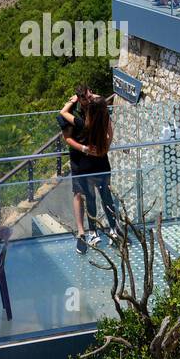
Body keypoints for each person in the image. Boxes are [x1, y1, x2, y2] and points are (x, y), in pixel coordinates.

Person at [60, 90, 116, 252]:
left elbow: (63, 112)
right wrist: (98, 149)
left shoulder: (86, 119)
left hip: (93, 161)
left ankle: (96, 231)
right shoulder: (100, 116)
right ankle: (98, 231)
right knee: (96, 195)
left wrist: (73, 100)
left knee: (95, 196)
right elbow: (109, 134)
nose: (91, 97)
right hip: (87, 161)